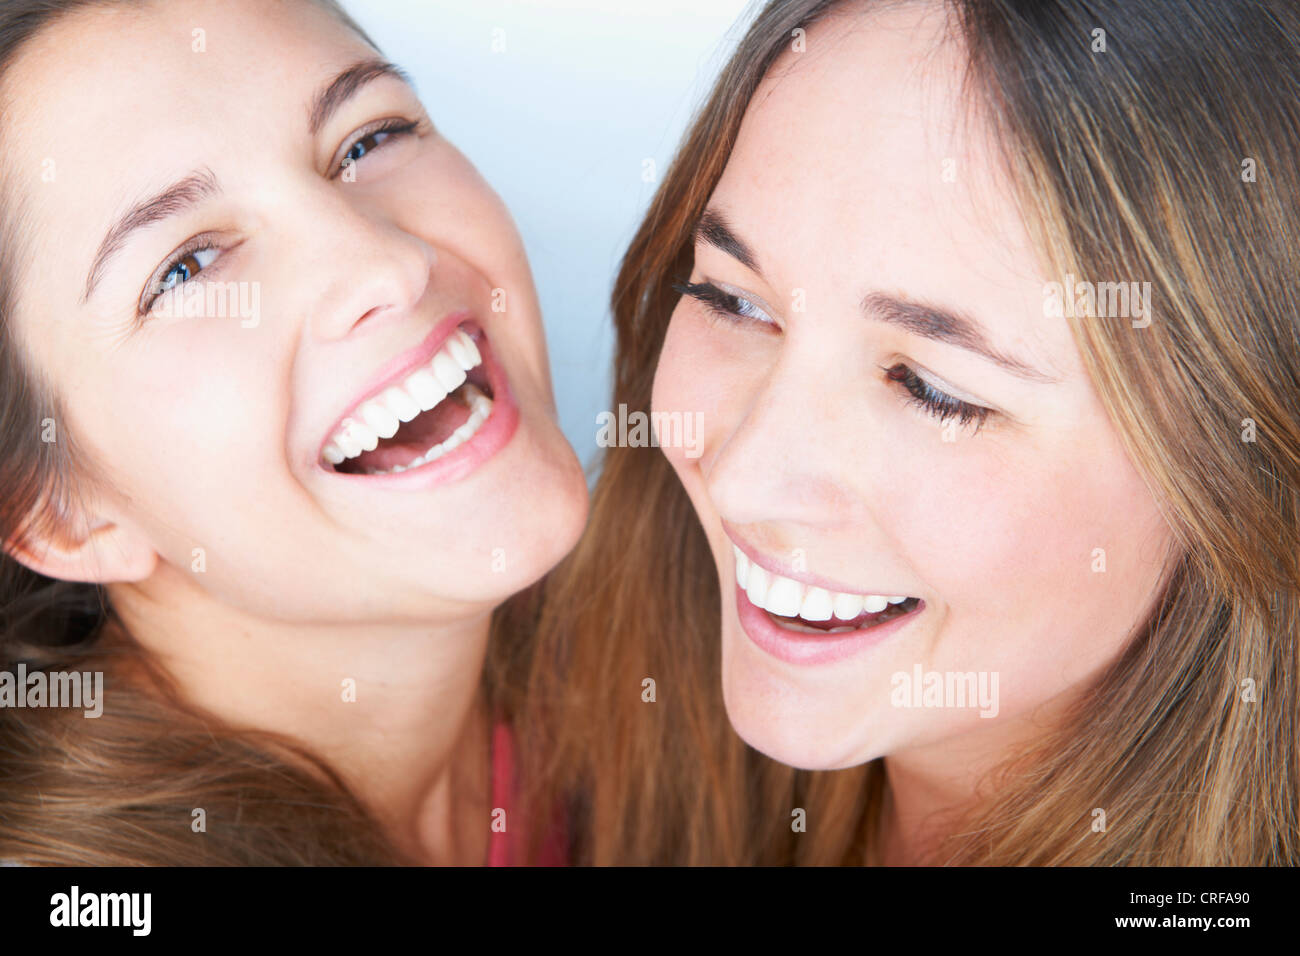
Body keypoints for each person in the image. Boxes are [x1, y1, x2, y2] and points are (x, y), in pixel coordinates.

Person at [537, 0, 1300, 864]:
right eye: (734, 301)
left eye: (932, 390)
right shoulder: (573, 728)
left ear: (1230, 468)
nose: (742, 476)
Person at [0, 0, 590, 865]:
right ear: (58, 513)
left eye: (366, 140)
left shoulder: (671, 671)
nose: (385, 262)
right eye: (186, 267)